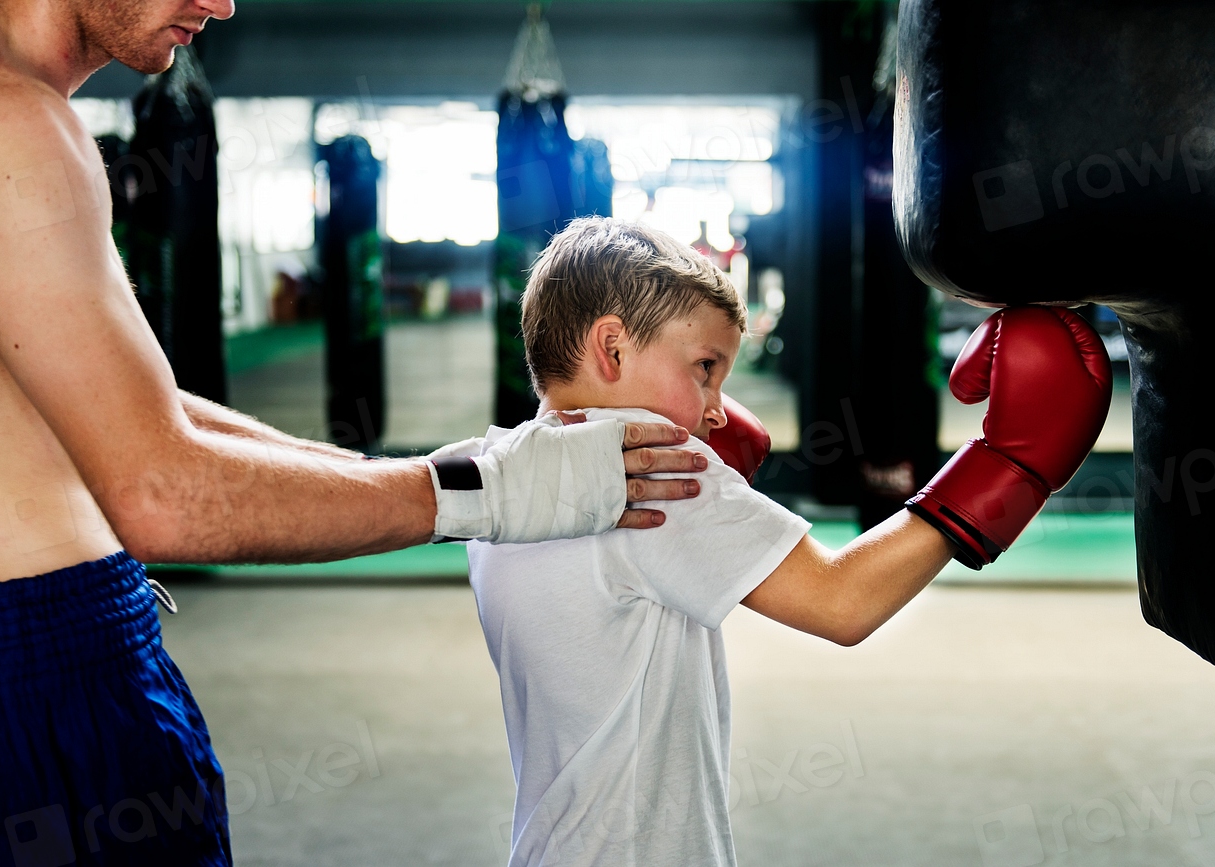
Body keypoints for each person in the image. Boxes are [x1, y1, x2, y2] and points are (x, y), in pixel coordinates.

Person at [0, 1, 711, 864]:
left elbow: (132, 407)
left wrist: (409, 469)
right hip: (30, 686)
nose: (221, 3)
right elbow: (162, 495)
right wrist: (492, 493)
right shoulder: (8, 121)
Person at [465, 217, 1112, 865]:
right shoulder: (647, 462)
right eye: (704, 368)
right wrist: (1006, 463)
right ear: (612, 348)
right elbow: (842, 601)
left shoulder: (500, 473)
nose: (717, 409)